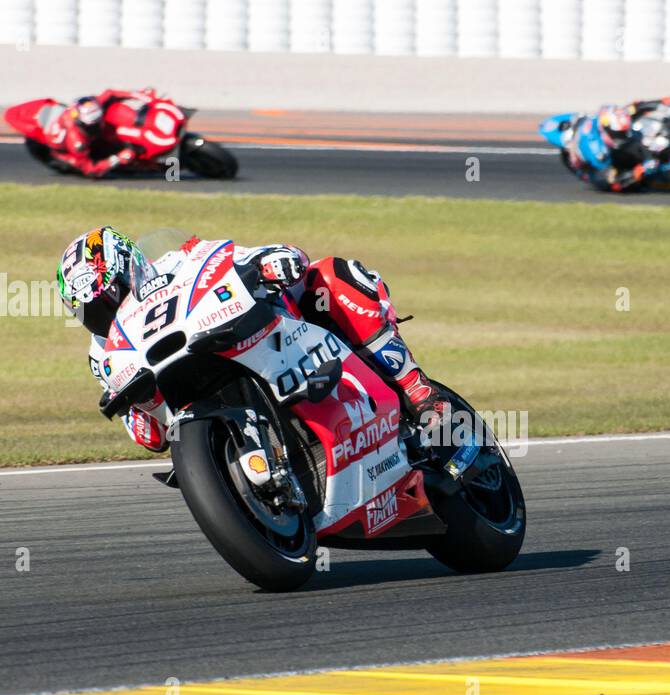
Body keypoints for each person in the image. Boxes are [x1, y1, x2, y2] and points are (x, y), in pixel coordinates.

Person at [55, 226, 447, 452]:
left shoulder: (177, 262)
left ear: (133, 267)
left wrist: (269, 261)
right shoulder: (105, 355)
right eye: (91, 312)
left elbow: (241, 257)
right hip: (203, 409)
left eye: (112, 295)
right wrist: (139, 409)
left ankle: (417, 392)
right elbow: (151, 438)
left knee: (329, 276)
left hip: (256, 338)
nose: (108, 313)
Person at [564, 96, 670, 192]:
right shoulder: (601, 152)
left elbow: (639, 106)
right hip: (620, 168)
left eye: (624, 131)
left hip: (640, 139)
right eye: (620, 133)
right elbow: (612, 181)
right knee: (660, 179)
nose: (623, 134)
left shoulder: (617, 118)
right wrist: (639, 171)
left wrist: (665, 102)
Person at [47, 88, 152, 178]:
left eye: (98, 121)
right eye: (93, 125)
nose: (98, 125)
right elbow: (90, 170)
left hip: (75, 130)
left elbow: (111, 93)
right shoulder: (77, 143)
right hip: (64, 151)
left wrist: (140, 95)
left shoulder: (91, 106)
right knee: (93, 161)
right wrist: (118, 159)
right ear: (81, 123)